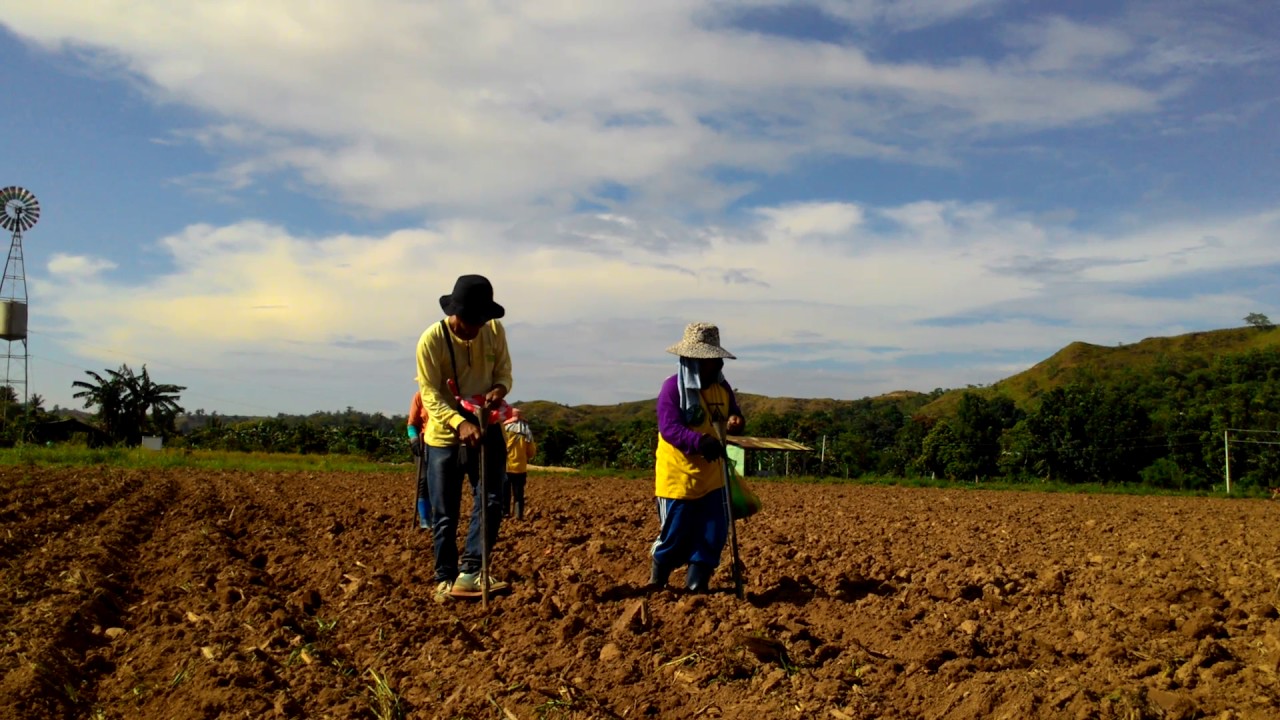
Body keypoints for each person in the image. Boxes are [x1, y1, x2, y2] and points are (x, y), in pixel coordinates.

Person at [416, 274, 513, 602]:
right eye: (471, 320)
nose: (476, 327)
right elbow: (429, 394)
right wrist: (459, 423)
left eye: (481, 320)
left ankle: (471, 571)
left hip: (486, 426)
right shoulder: (432, 340)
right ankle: (445, 577)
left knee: (492, 500)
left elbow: (504, 372)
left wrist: (499, 389)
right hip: (444, 436)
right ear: (455, 313)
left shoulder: (494, 330)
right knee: (445, 513)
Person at [650, 322, 745, 593]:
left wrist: (736, 421)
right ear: (690, 361)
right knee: (675, 536)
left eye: (714, 360)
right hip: (679, 478)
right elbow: (670, 429)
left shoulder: (722, 389)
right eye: (705, 361)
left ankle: (697, 583)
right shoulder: (673, 388)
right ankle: (659, 574)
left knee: (713, 533)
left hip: (714, 478)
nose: (712, 366)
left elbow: (733, 414)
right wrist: (700, 441)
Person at [502, 408, 537, 520]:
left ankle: (505, 512)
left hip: (506, 466)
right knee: (519, 493)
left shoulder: (504, 429)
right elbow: (531, 452)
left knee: (505, 492)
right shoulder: (526, 431)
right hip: (520, 468)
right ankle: (518, 514)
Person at [407, 390, 432, 530]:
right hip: (423, 443)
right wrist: (414, 439)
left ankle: (437, 515)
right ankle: (425, 517)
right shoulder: (420, 396)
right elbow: (412, 424)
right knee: (423, 480)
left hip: (443, 444)